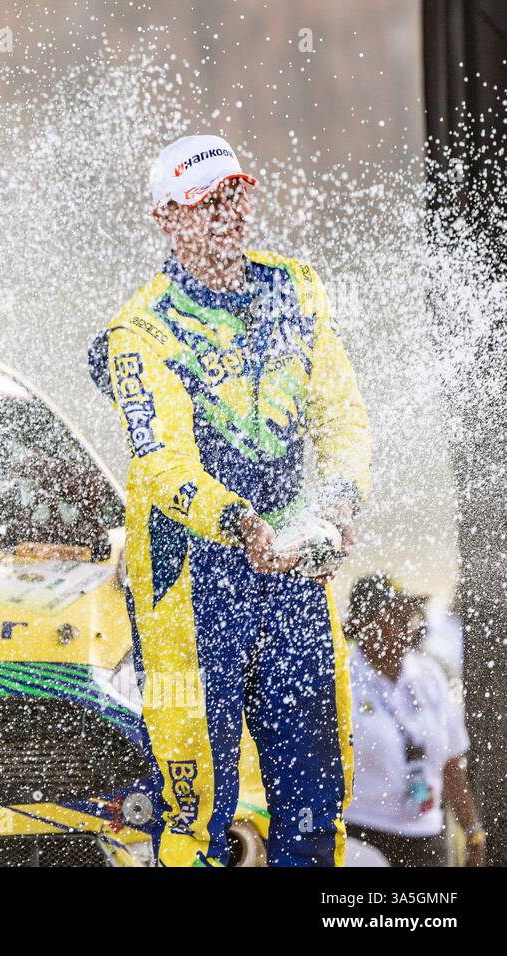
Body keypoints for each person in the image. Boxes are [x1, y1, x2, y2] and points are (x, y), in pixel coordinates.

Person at [94, 134, 372, 866]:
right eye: (203, 203)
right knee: (196, 813)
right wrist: (237, 522)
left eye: (233, 196)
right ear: (165, 218)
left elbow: (342, 418)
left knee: (316, 800)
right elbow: (163, 465)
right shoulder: (139, 331)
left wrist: (338, 501)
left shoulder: (296, 290)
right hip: (189, 588)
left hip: (290, 579)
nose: (225, 215)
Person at [345, 574, 486, 866]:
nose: (402, 627)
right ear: (362, 624)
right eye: (390, 616)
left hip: (425, 834)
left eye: (405, 615)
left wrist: (472, 830)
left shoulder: (429, 675)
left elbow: (450, 762)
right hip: (359, 832)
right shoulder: (342, 679)